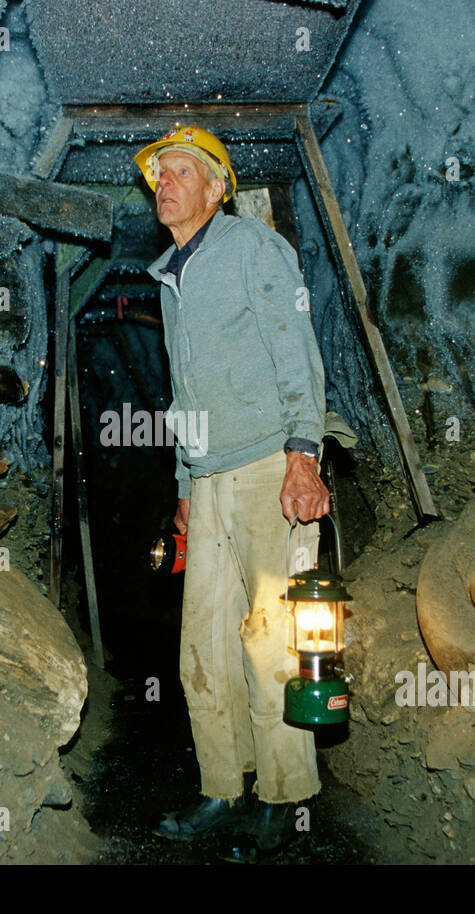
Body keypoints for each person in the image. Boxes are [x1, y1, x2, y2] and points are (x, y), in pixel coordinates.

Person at [134, 126, 331, 859]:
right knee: (203, 645)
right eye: (159, 174)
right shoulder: (171, 278)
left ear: (218, 189)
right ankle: (222, 787)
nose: (167, 182)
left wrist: (303, 454)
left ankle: (285, 798)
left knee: (269, 638)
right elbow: (185, 392)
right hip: (208, 482)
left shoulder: (250, 247)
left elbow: (293, 344)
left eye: (182, 171)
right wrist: (185, 486)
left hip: (267, 471)